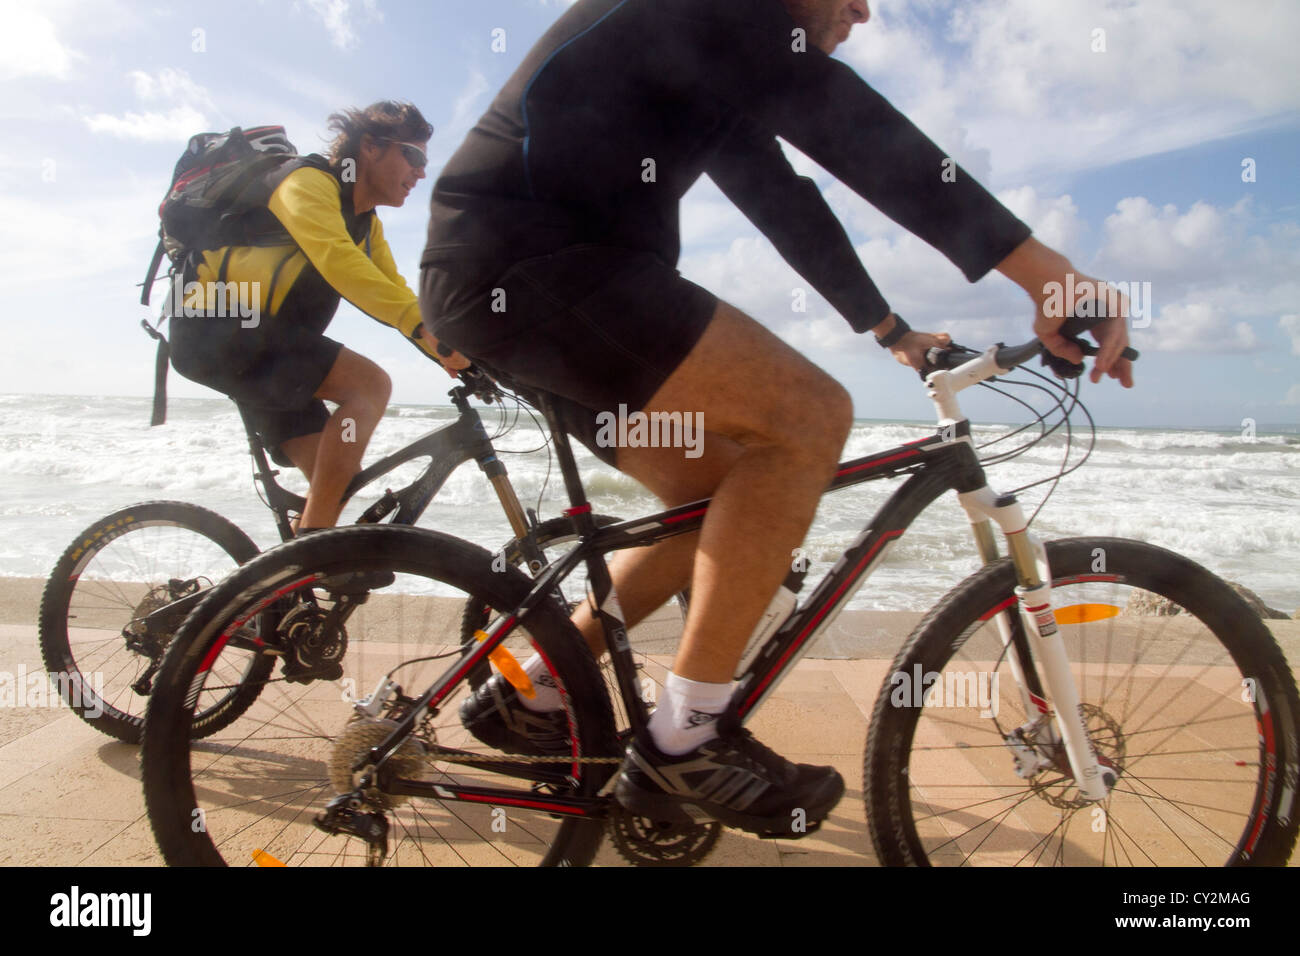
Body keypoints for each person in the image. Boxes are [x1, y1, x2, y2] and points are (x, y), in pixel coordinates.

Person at [420, 0, 1133, 836]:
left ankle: (533, 685)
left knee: (717, 494)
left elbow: (781, 198)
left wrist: (889, 329)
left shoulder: (711, 51)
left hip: (515, 275)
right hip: (538, 264)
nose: (863, 12)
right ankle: (684, 742)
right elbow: (853, 127)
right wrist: (1044, 270)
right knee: (811, 416)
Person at [170, 101, 468, 531]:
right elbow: (340, 262)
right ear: (371, 147)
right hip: (215, 330)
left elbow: (391, 289)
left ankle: (283, 586)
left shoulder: (367, 222)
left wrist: (442, 347)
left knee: (332, 480)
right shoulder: (304, 182)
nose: (421, 171)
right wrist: (424, 328)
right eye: (413, 155)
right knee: (370, 385)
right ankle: (316, 548)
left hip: (270, 349)